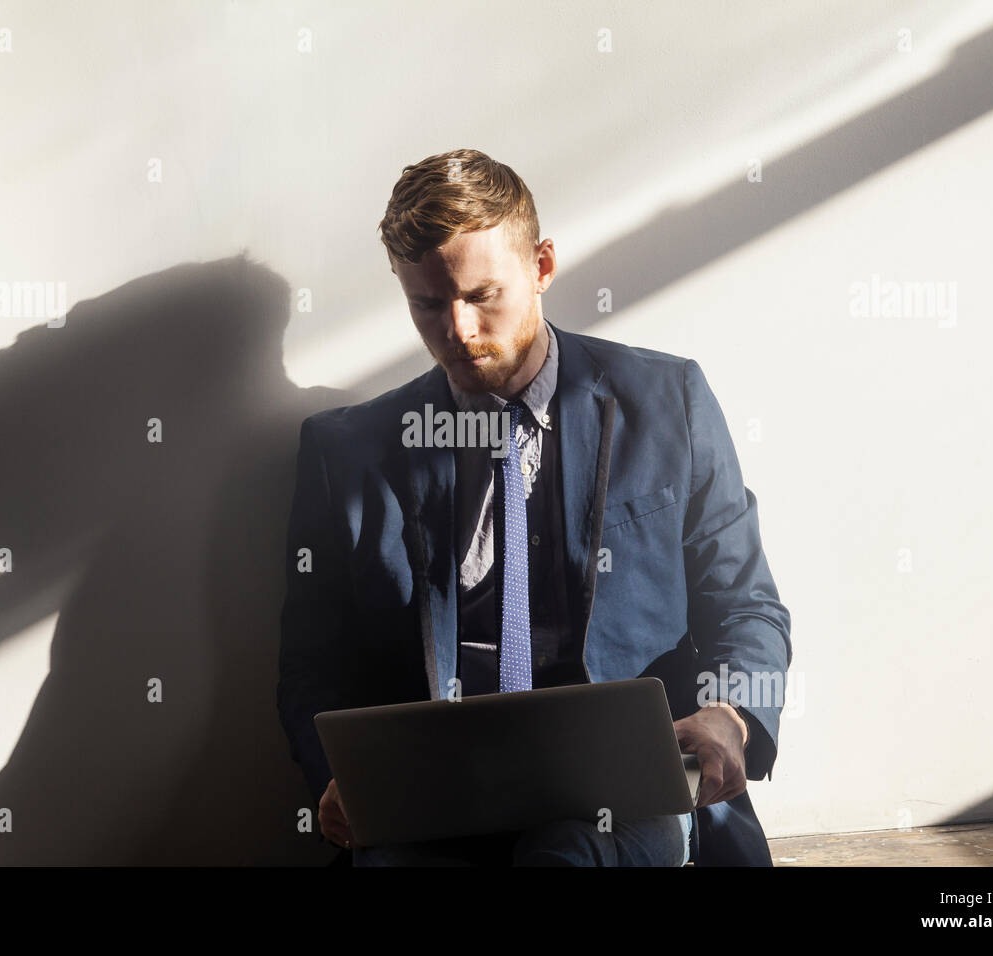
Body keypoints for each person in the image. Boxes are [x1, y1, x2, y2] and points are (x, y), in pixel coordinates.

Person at [277, 148, 792, 866]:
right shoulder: (347, 453)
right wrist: (333, 776)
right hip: (435, 798)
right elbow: (312, 663)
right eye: (428, 304)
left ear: (542, 267)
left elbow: (745, 606)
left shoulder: (667, 403)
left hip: (626, 787)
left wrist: (731, 716)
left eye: (482, 294)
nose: (457, 329)